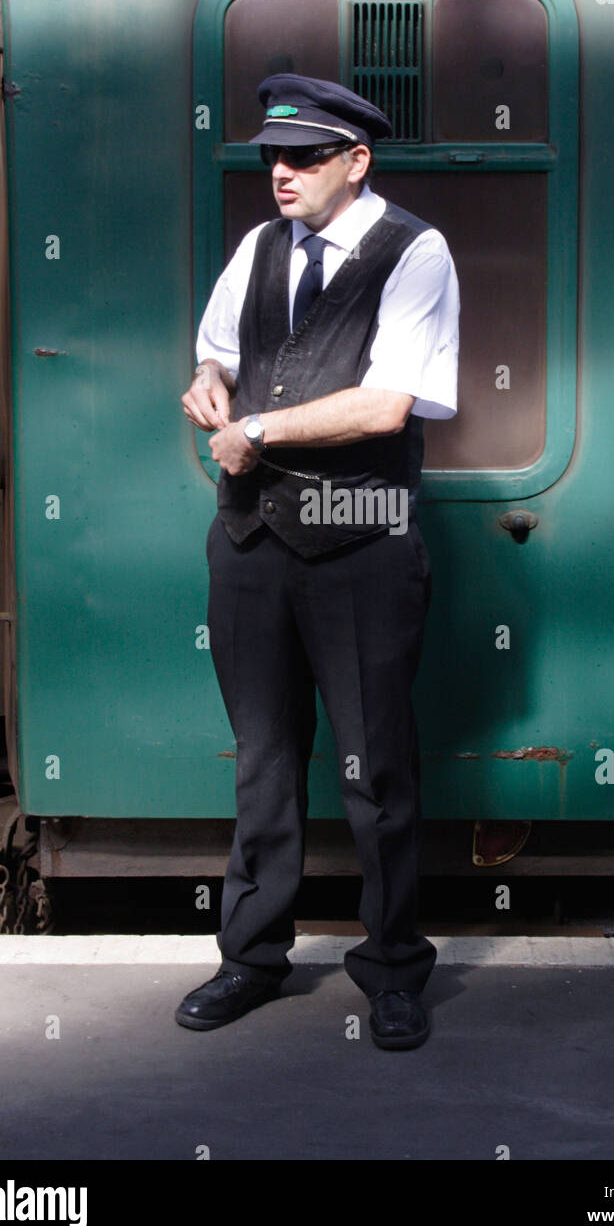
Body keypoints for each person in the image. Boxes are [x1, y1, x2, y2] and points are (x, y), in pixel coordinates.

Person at [176, 74, 459, 1049]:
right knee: (262, 760)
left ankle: (389, 971)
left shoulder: (414, 252)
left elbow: (387, 405)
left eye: (302, 157)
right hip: (251, 540)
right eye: (270, 156)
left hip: (361, 544)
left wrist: (253, 424)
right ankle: (250, 958)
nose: (280, 173)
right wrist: (210, 388)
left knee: (374, 767)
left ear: (356, 161)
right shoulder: (258, 247)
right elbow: (213, 354)